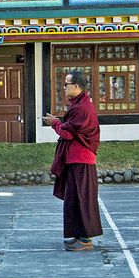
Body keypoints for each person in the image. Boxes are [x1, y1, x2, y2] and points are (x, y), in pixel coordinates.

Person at [43, 70, 103, 251]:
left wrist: (54, 122)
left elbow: (68, 132)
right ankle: (78, 234)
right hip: (75, 159)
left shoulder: (83, 107)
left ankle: (85, 239)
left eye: (67, 84)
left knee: (82, 198)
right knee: (74, 199)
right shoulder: (79, 104)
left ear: (76, 86)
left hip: (81, 159)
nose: (64, 87)